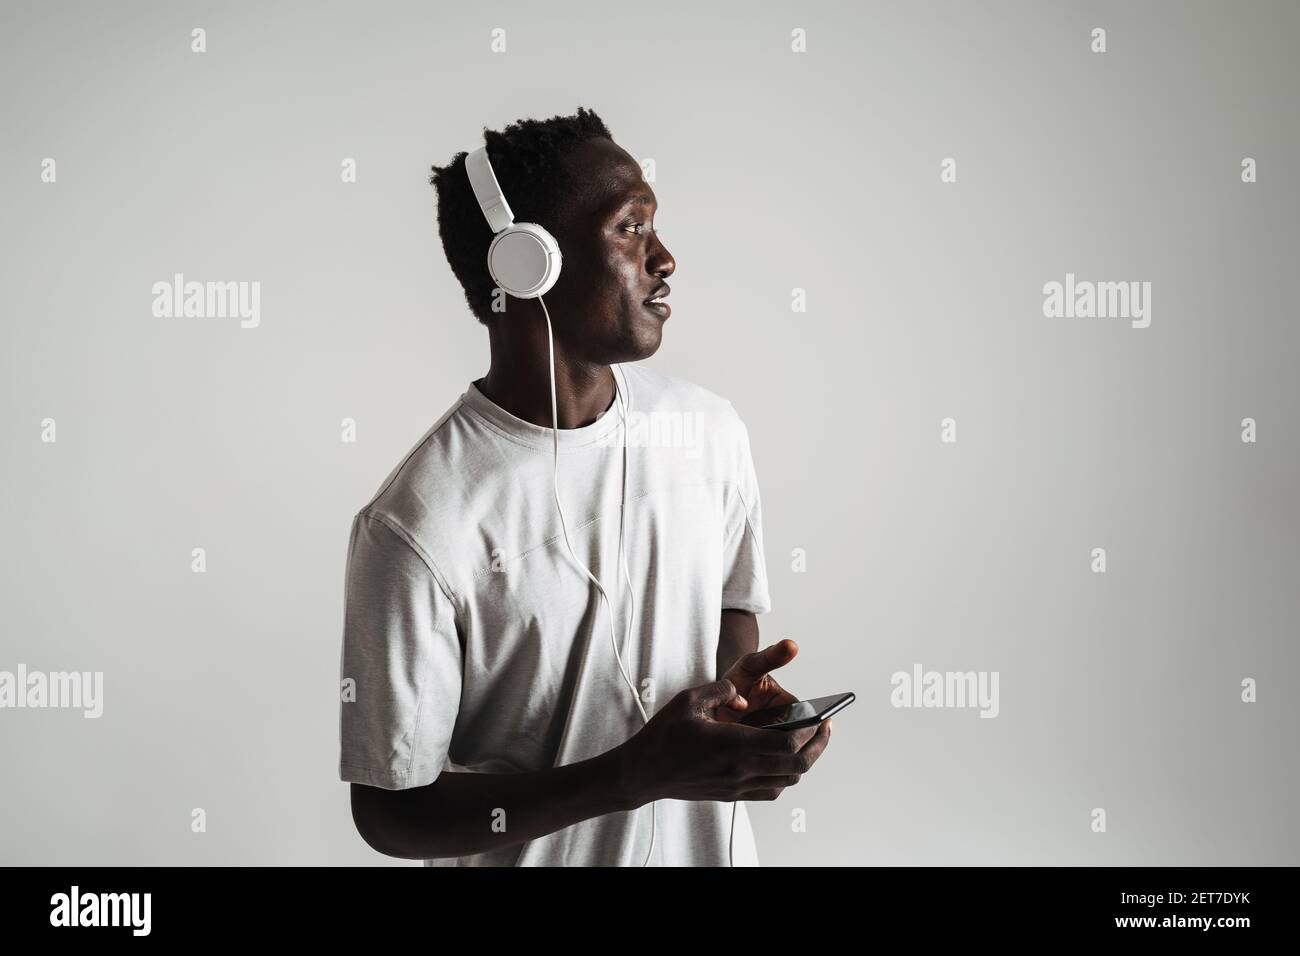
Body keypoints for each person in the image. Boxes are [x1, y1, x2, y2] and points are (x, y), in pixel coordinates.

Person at [338, 107, 832, 866]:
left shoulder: (709, 431)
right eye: (630, 228)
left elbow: (731, 606)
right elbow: (393, 813)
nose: (664, 258)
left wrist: (740, 711)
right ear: (526, 262)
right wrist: (634, 773)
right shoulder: (417, 524)